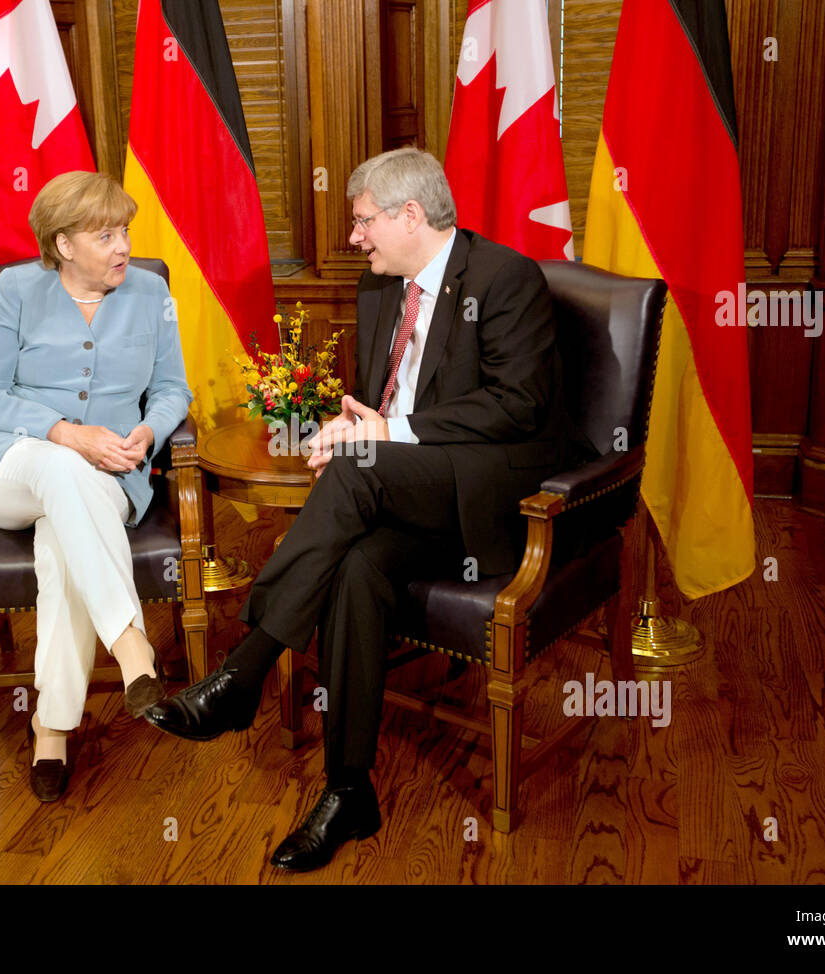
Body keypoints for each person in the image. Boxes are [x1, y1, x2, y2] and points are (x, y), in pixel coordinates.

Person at [145, 148, 594, 869]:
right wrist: (352, 422)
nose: (355, 239)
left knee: (355, 472)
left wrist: (385, 435)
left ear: (409, 216)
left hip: (491, 495)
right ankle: (348, 789)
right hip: (406, 484)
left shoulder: (505, 278)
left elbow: (520, 405)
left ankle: (244, 673)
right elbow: (378, 401)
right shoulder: (381, 286)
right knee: (356, 569)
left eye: (363, 222)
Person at [0, 170, 193, 802]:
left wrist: (147, 432)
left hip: (112, 468)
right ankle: (132, 645)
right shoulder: (15, 289)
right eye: (107, 235)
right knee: (63, 465)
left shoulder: (149, 292)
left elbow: (172, 389)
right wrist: (62, 432)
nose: (124, 247)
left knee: (62, 545)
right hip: (7, 466)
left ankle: (52, 725)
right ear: (62, 244)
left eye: (126, 232)